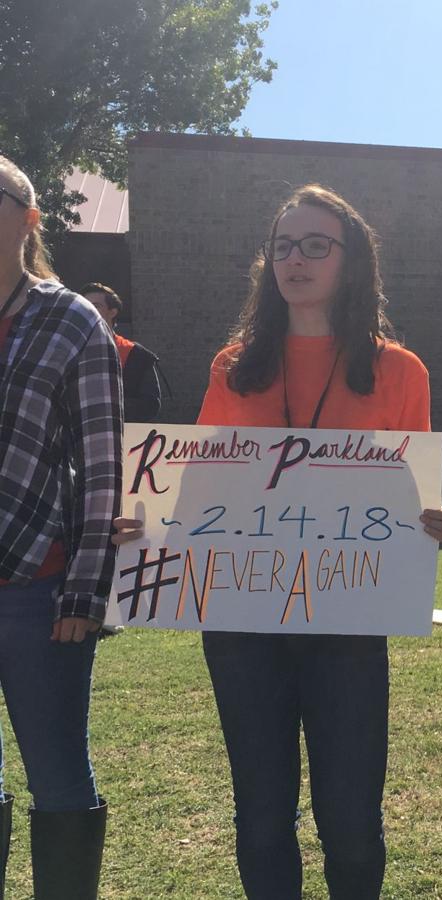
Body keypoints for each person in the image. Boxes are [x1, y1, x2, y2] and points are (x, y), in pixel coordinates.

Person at [114, 184, 442, 899]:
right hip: (242, 625)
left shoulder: (400, 371)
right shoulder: (232, 366)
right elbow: (194, 484)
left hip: (348, 622)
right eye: (283, 246)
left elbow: (412, 499)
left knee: (352, 824)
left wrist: (432, 519)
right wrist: (143, 518)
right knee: (262, 819)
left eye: (315, 245)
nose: (295, 259)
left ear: (351, 260)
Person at [0, 155, 120, 897]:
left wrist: (84, 593)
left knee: (58, 776)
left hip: (37, 594)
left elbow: (102, 467)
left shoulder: (71, 320)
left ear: (30, 217)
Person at [79, 283, 163, 421]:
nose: (88, 311)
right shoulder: (67, 351)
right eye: (84, 306)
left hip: (124, 435)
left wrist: (103, 407)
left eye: (96, 306)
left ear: (113, 311)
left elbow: (150, 405)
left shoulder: (136, 355)